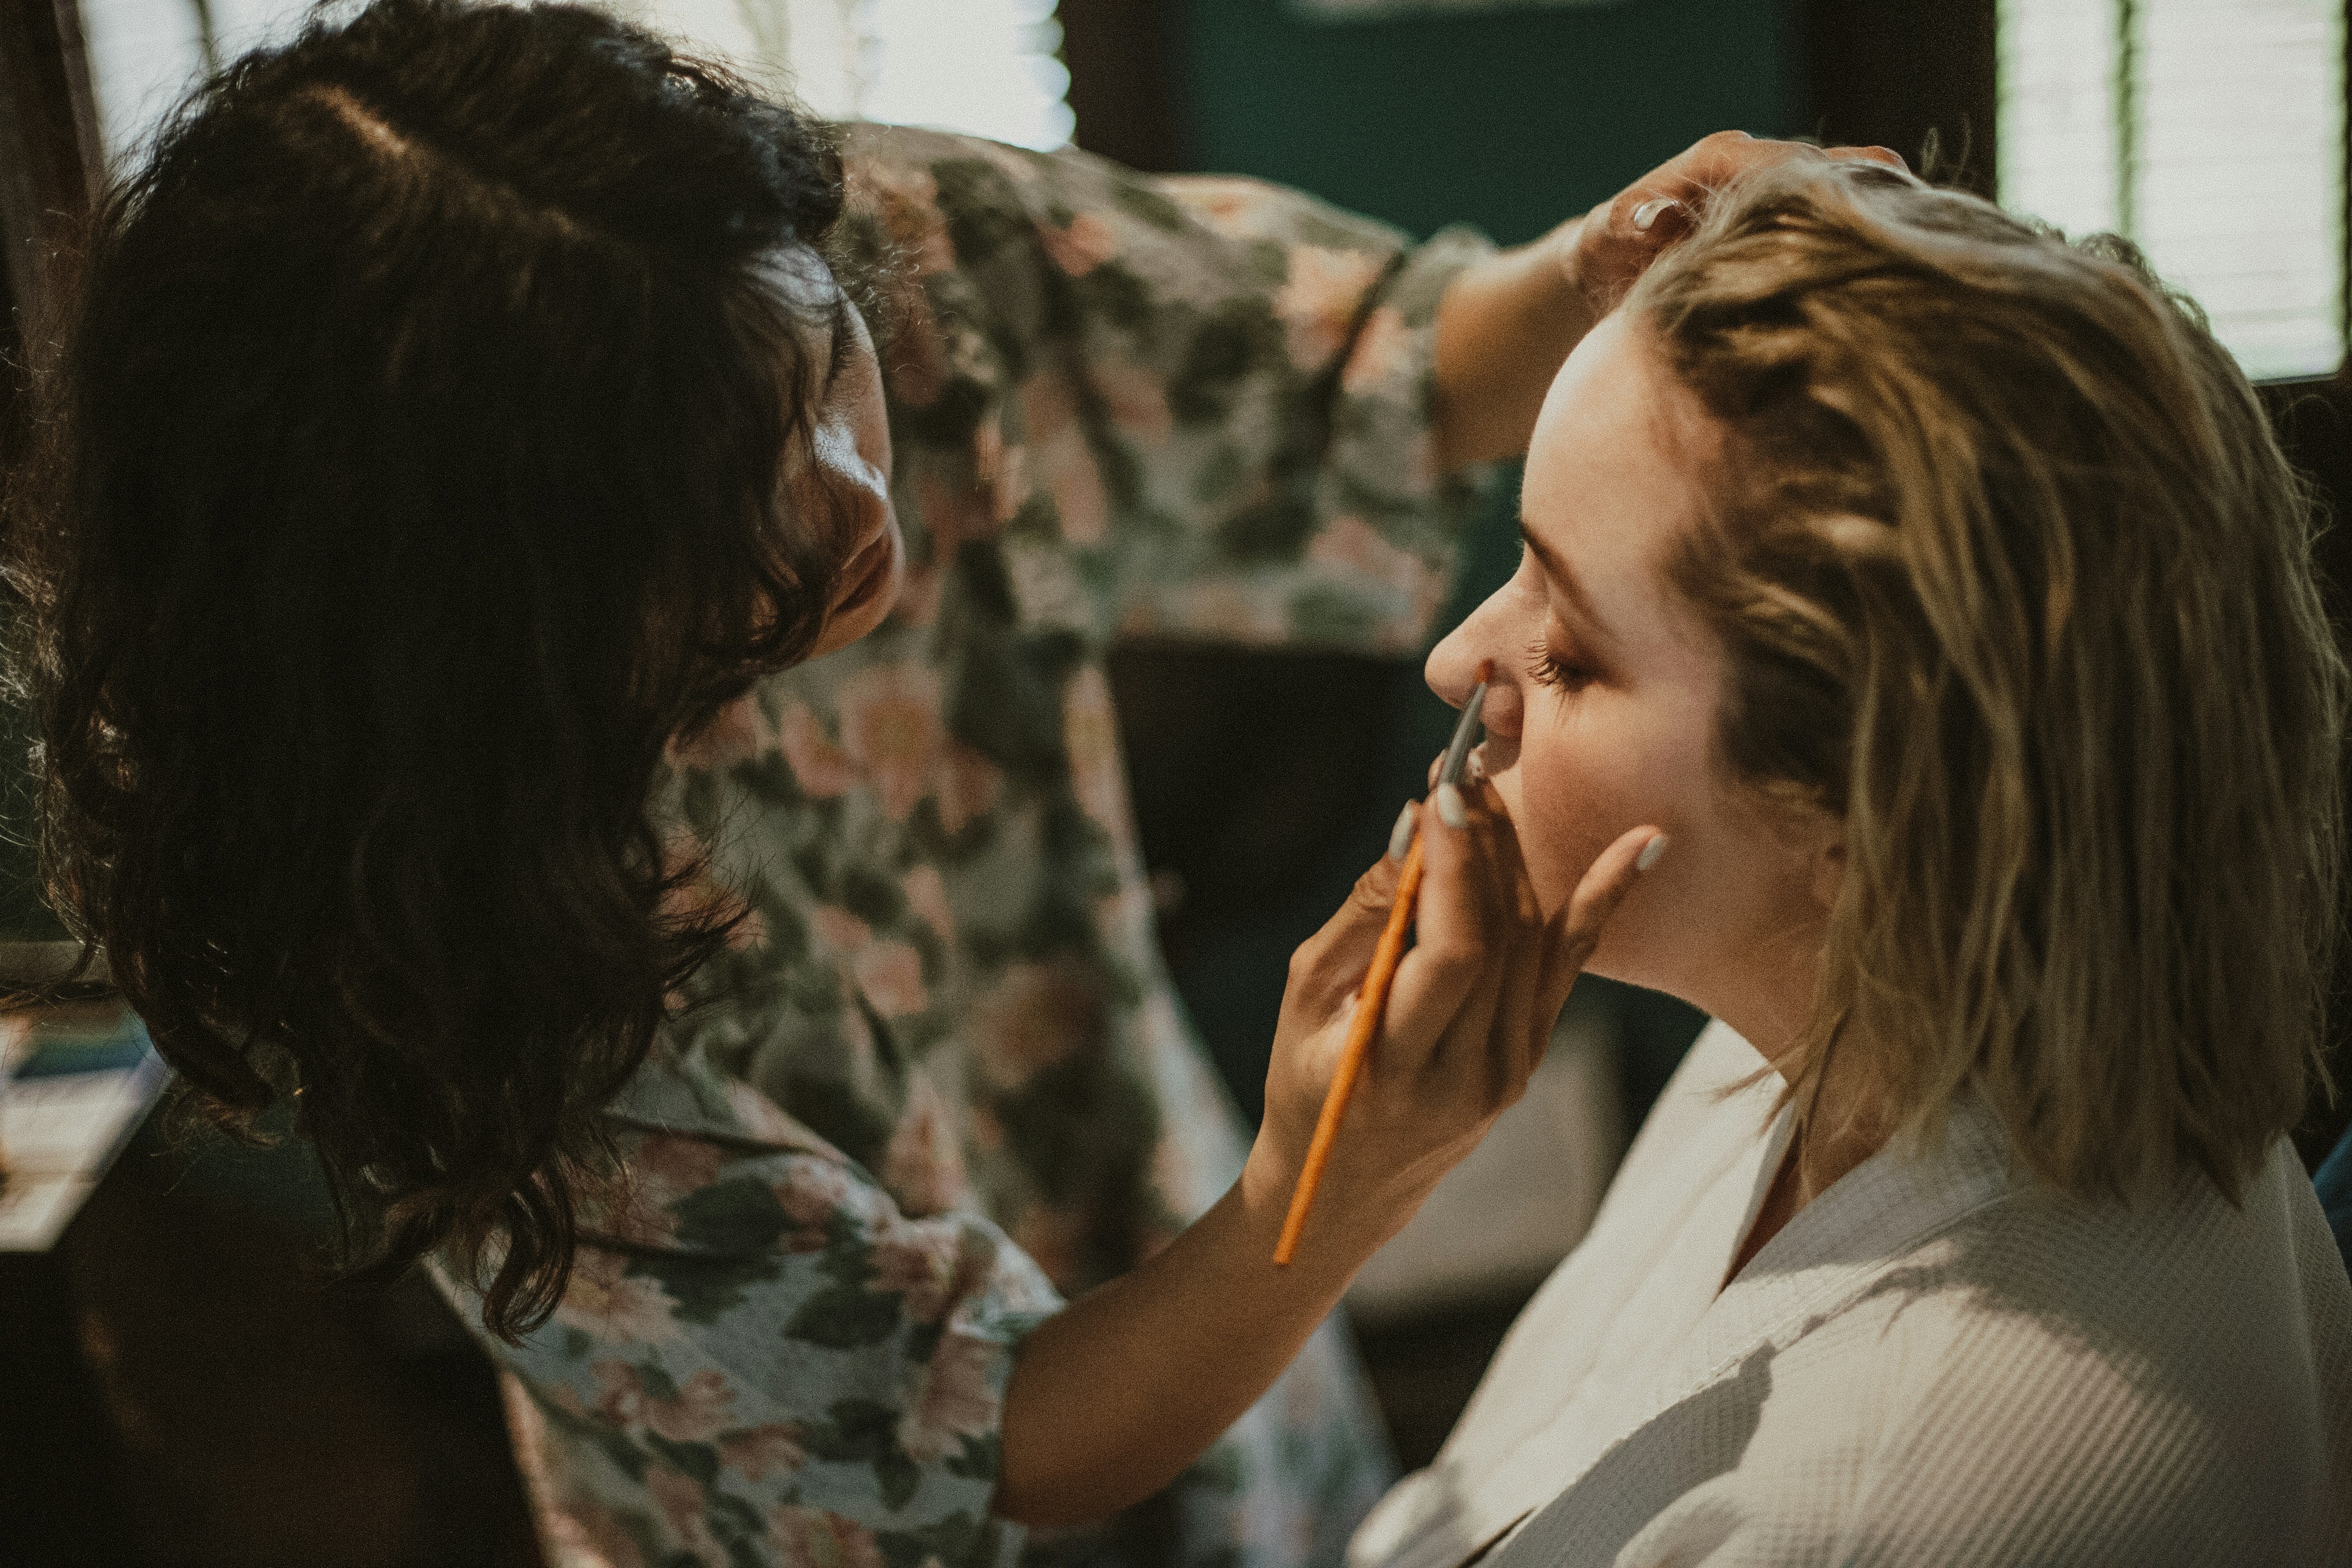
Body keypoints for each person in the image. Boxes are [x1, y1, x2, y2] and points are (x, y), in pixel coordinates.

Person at [5, 1, 1840, 1563]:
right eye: (714, 519)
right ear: (486, 618)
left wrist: (1604, 264)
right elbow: (984, 1440)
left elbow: (1339, 371)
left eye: (832, 377)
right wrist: (1333, 1180)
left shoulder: (809, 242)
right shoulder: (419, 952)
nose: (864, 512)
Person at [1347, 156, 2352, 1567]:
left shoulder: (1923, 1505)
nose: (1461, 661)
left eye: (1567, 652)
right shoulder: (1819, 1028)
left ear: (1862, 806)